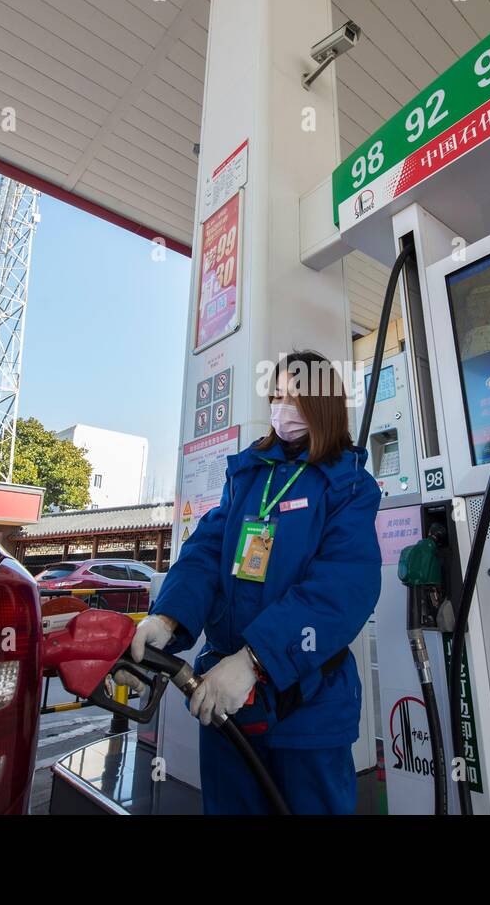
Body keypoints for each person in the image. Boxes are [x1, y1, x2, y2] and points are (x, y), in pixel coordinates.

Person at [127, 349, 381, 814]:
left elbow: (344, 588)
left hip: (308, 707)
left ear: (323, 404)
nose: (282, 408)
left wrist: (257, 660)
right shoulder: (248, 475)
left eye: (296, 397)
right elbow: (205, 550)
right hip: (226, 701)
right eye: (277, 395)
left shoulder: (349, 487)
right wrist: (166, 617)